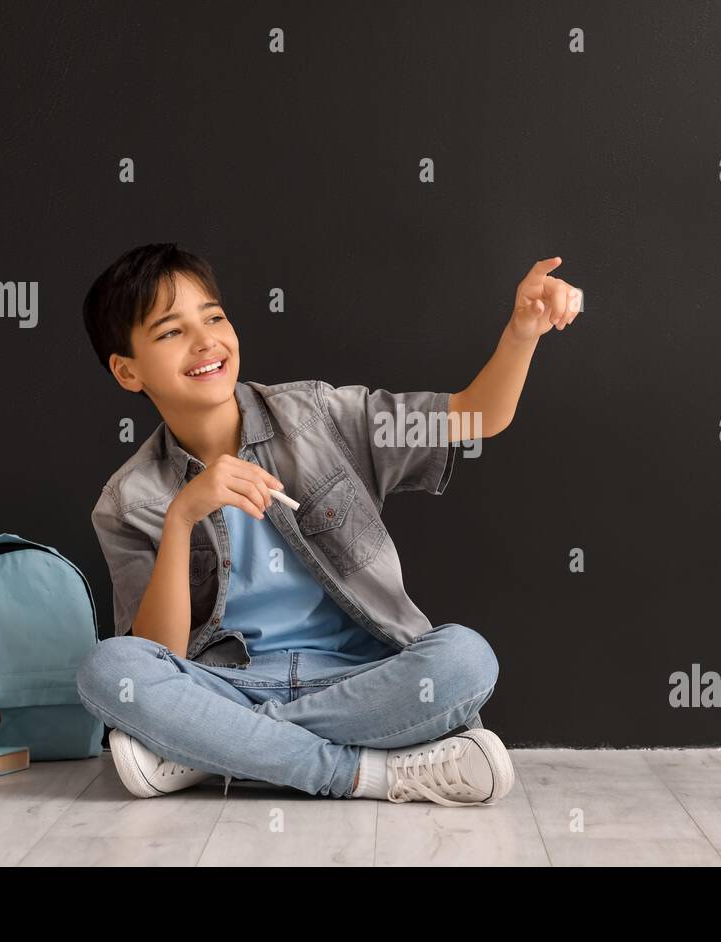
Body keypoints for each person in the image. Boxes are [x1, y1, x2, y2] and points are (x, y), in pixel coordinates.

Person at [76, 242, 582, 805]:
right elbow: (155, 658)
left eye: (214, 317)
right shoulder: (128, 500)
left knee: (466, 658)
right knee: (108, 667)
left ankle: (213, 750)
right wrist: (182, 517)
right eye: (171, 332)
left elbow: (474, 417)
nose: (205, 342)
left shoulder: (320, 417)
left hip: (363, 680)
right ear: (127, 370)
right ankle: (367, 774)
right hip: (228, 685)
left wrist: (522, 331)